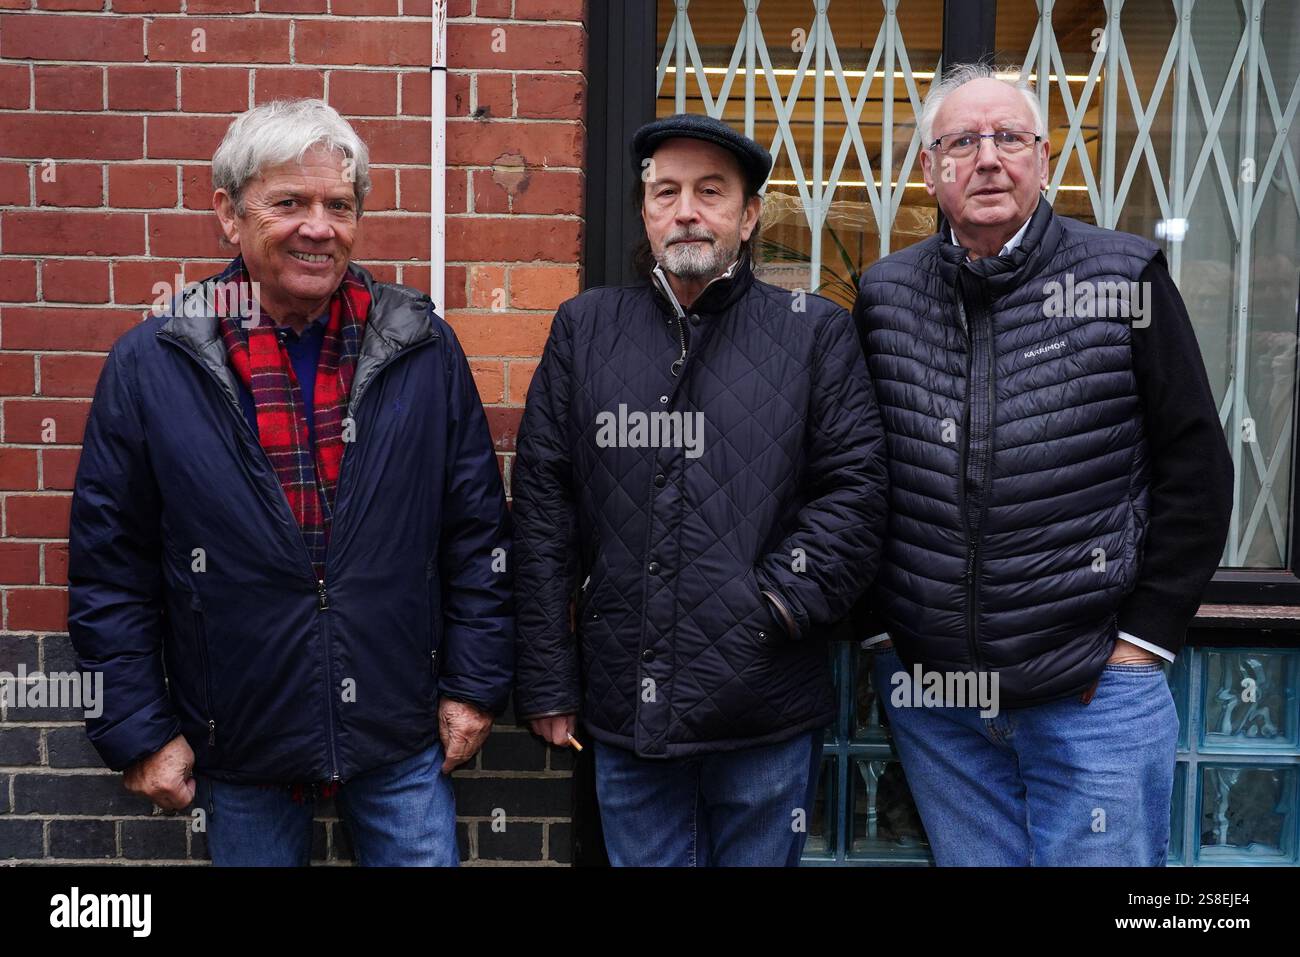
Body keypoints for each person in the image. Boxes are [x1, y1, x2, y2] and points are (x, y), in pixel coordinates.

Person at [67, 98, 514, 866]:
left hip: (399, 730)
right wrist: (139, 730)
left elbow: (476, 532)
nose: (319, 226)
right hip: (240, 739)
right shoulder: (153, 366)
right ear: (228, 215)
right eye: (289, 203)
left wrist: (473, 686)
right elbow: (112, 570)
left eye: (339, 205)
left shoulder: (422, 349)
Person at [853, 63, 1233, 865]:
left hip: (1094, 688)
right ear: (929, 170)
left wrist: (1145, 637)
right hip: (940, 701)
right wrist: (885, 629)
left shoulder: (1123, 276)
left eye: (1008, 138)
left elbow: (1194, 462)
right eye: (962, 141)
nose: (986, 158)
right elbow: (859, 468)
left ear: (1044, 157)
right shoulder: (885, 295)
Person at [512, 113, 889, 866]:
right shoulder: (585, 329)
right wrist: (549, 679)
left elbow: (856, 494)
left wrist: (775, 605)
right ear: (645, 212)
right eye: (666, 192)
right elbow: (543, 510)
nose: (686, 209)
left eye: (710, 192)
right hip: (624, 703)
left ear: (749, 216)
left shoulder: (813, 333)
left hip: (764, 704)